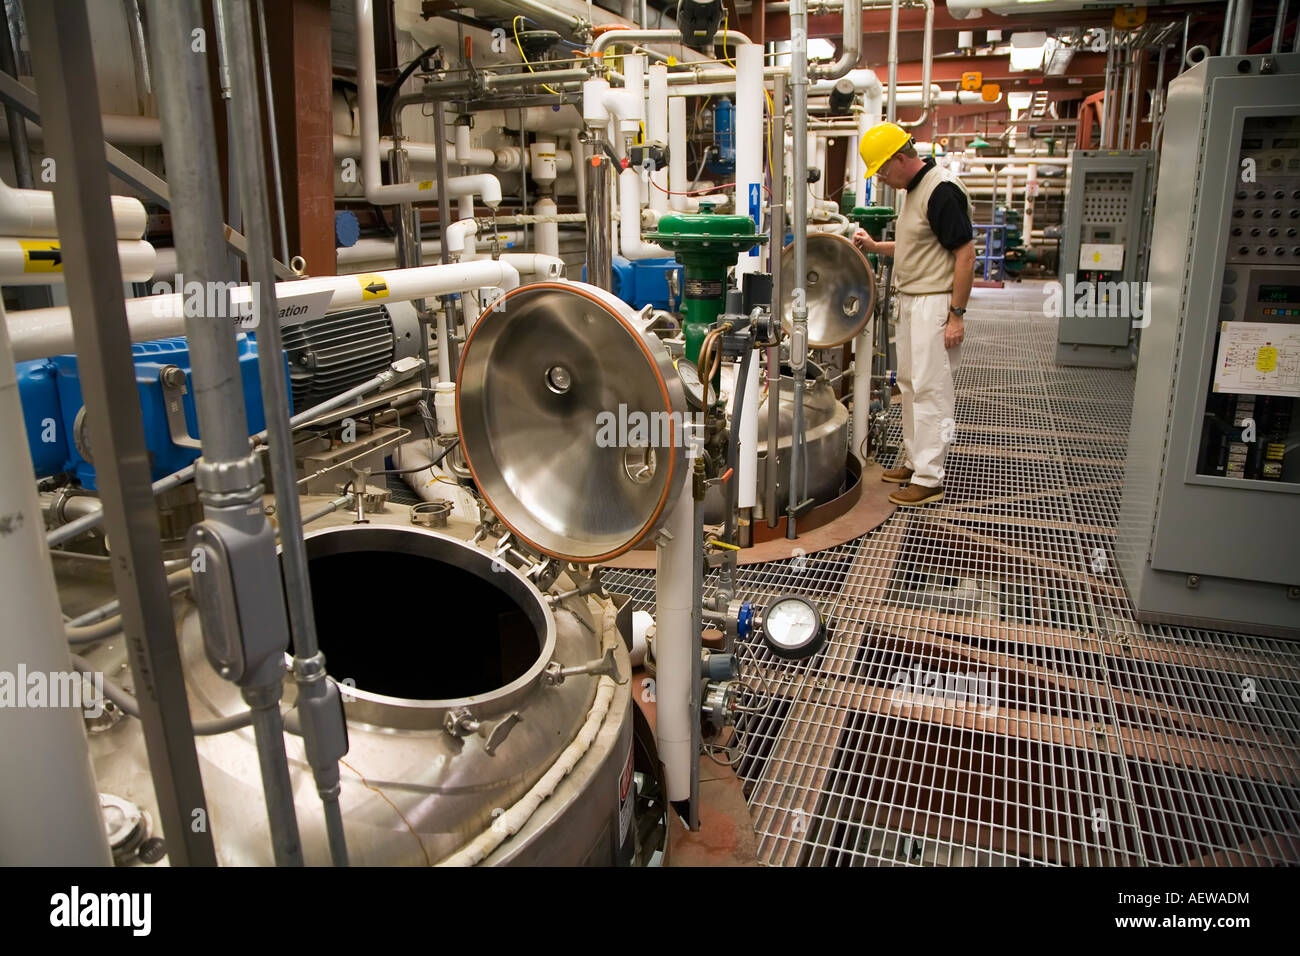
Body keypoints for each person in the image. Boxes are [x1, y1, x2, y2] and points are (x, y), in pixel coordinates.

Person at [853, 123, 975, 507]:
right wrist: (875, 245)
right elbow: (915, 246)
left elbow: (965, 254)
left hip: (934, 304)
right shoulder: (915, 190)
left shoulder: (942, 191)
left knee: (930, 390)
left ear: (901, 158)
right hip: (913, 301)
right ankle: (914, 458)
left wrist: (956, 315)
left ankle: (929, 477)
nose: (884, 179)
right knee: (907, 383)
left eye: (883, 171)